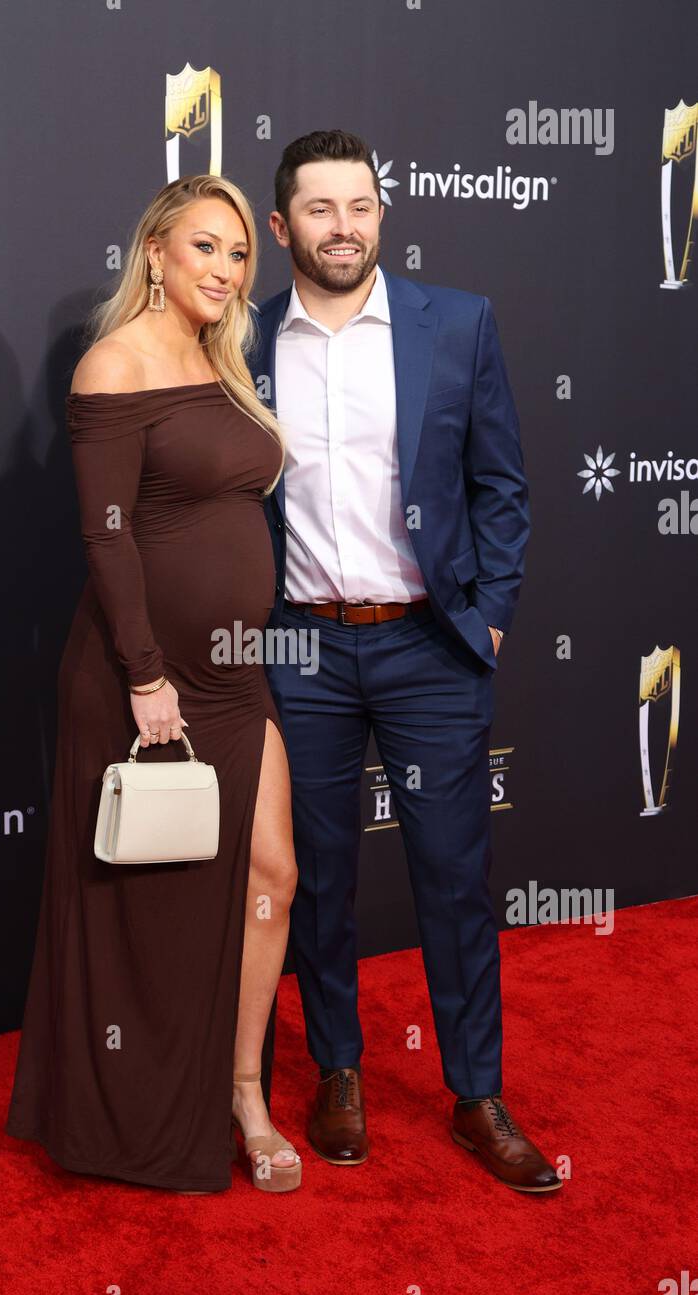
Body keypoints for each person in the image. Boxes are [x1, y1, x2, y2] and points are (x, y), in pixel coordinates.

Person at [249, 129, 561, 1193]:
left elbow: (501, 486)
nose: (346, 227)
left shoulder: (456, 324)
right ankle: (338, 1069)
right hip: (300, 646)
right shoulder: (239, 343)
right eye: (322, 210)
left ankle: (476, 1093)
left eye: (363, 205)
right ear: (282, 227)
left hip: (431, 641)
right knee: (318, 879)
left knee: (454, 877)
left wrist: (492, 618)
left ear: (383, 214)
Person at [5, 173, 302, 1194]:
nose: (223, 270)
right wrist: (142, 674)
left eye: (236, 255)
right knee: (148, 897)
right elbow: (107, 531)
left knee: (269, 876)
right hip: (147, 677)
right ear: (155, 253)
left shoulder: (222, 363)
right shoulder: (115, 362)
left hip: (235, 678)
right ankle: (126, 1111)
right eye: (204, 249)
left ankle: (240, 1089)